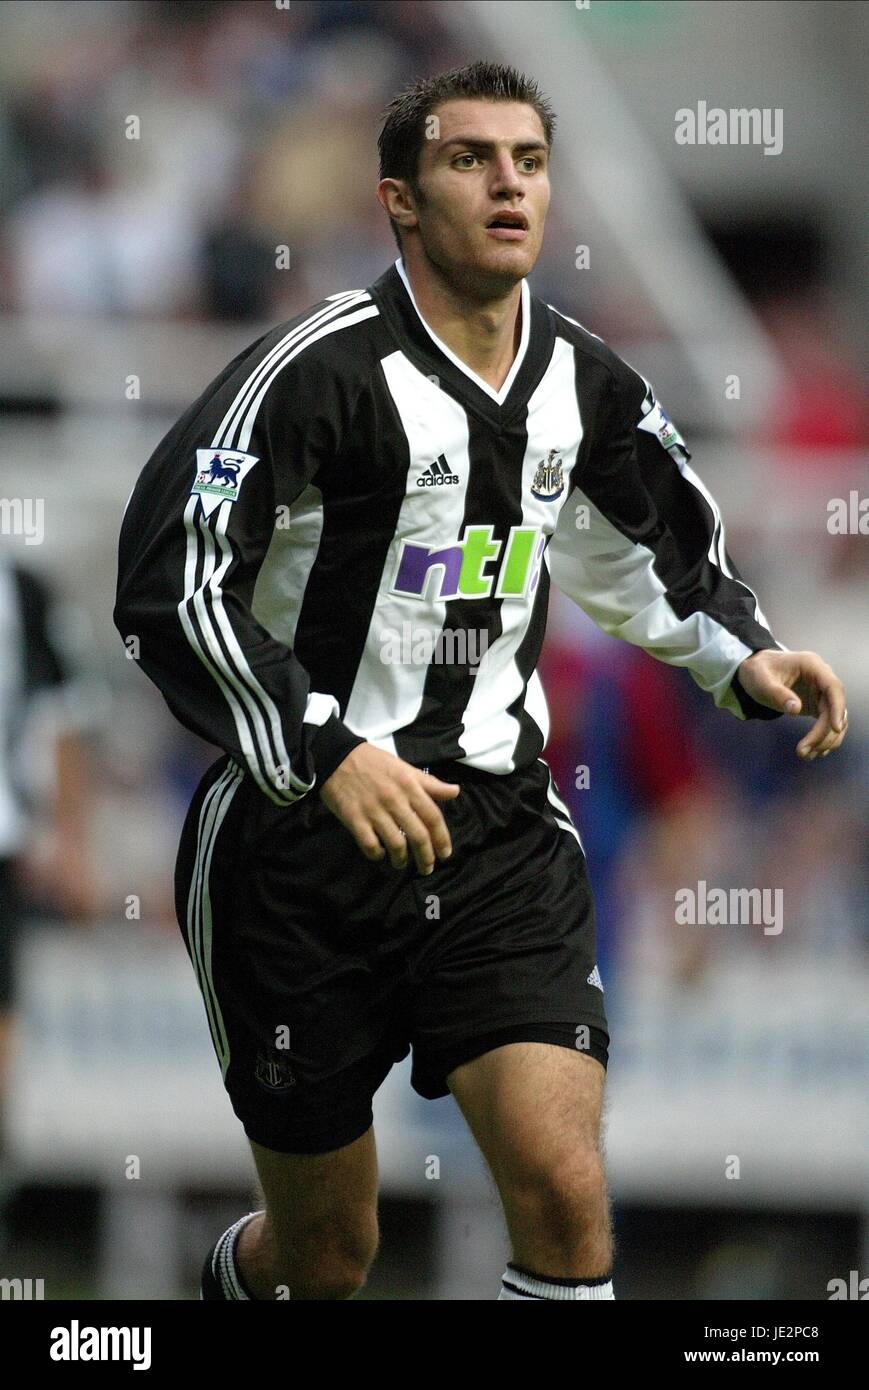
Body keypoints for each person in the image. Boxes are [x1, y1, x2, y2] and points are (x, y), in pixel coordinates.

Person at [113, 62, 847, 1302]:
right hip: (298, 845)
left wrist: (745, 653)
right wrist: (327, 749)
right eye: (470, 160)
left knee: (563, 1191)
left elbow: (659, 551)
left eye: (528, 160)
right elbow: (169, 584)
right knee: (329, 1258)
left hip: (497, 827)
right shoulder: (315, 372)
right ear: (400, 200)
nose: (508, 183)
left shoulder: (583, 382)